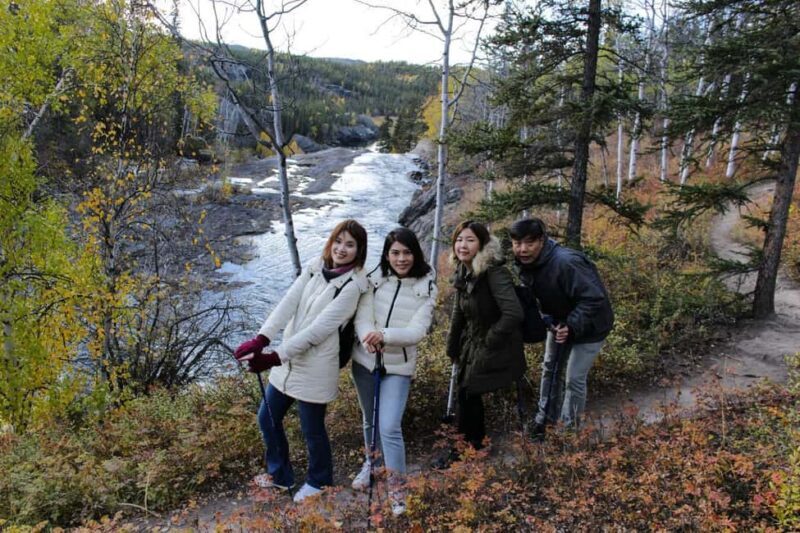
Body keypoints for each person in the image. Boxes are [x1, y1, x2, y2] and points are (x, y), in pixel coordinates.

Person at [234, 219, 368, 503]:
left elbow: (319, 330)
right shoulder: (314, 266)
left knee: (311, 428)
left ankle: (320, 481)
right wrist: (261, 339)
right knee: (267, 418)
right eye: (338, 241)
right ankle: (281, 476)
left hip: (316, 366)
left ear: (359, 251)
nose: (342, 249)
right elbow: (288, 302)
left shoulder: (354, 286)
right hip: (288, 361)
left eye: (350, 245)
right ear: (331, 242)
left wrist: (272, 357)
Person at [349, 227, 436, 516]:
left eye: (407, 252)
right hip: (365, 361)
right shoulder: (374, 280)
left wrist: (382, 335)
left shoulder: (426, 286)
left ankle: (397, 490)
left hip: (397, 366)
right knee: (369, 419)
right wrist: (367, 337)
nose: (401, 258)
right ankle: (371, 464)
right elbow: (362, 316)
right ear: (387, 255)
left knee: (389, 426)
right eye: (395, 253)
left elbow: (417, 330)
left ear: (415, 253)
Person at [509, 218, 614, 436]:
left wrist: (572, 325)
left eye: (529, 243)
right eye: (517, 244)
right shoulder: (524, 263)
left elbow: (595, 298)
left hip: (592, 325)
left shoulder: (567, 262)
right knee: (550, 368)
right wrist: (549, 321)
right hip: (559, 322)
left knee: (574, 378)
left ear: (542, 240)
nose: (522, 249)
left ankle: (569, 433)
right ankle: (544, 421)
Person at [444, 221, 525, 459]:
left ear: (481, 245)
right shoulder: (463, 270)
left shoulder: (493, 272)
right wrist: (452, 344)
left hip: (498, 344)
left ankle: (467, 449)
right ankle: (470, 445)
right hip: (474, 341)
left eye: (470, 240)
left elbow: (513, 313)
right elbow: (459, 311)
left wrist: (491, 339)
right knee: (465, 391)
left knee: (469, 390)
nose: (463, 245)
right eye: (459, 239)